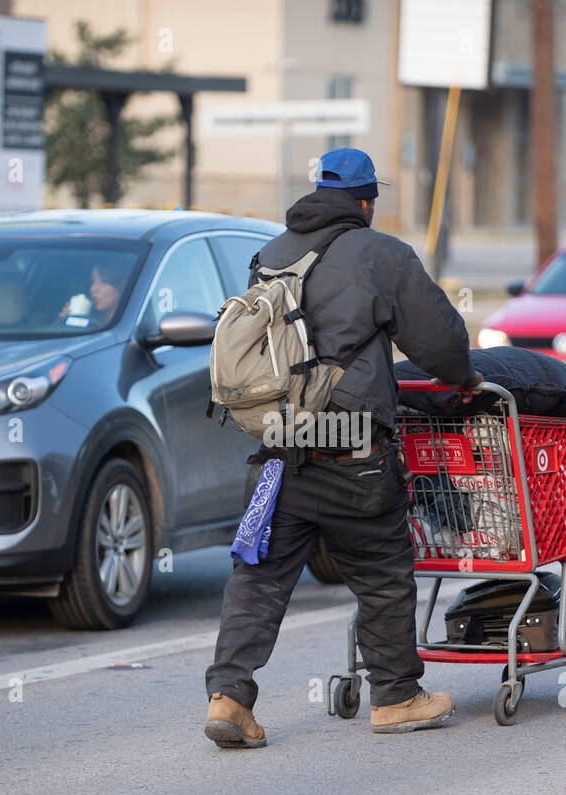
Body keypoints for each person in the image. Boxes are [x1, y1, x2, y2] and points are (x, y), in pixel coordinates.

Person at [204, 147, 483, 748]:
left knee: (259, 575)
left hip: (281, 445)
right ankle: (397, 696)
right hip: (353, 449)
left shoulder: (273, 253)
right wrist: (462, 378)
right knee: (383, 572)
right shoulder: (382, 254)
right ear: (365, 201)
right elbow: (438, 340)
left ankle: (229, 698)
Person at [59, 261, 123, 327]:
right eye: (92, 282)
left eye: (103, 282)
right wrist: (65, 322)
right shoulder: (89, 321)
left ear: (120, 286)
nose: (92, 289)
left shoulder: (130, 328)